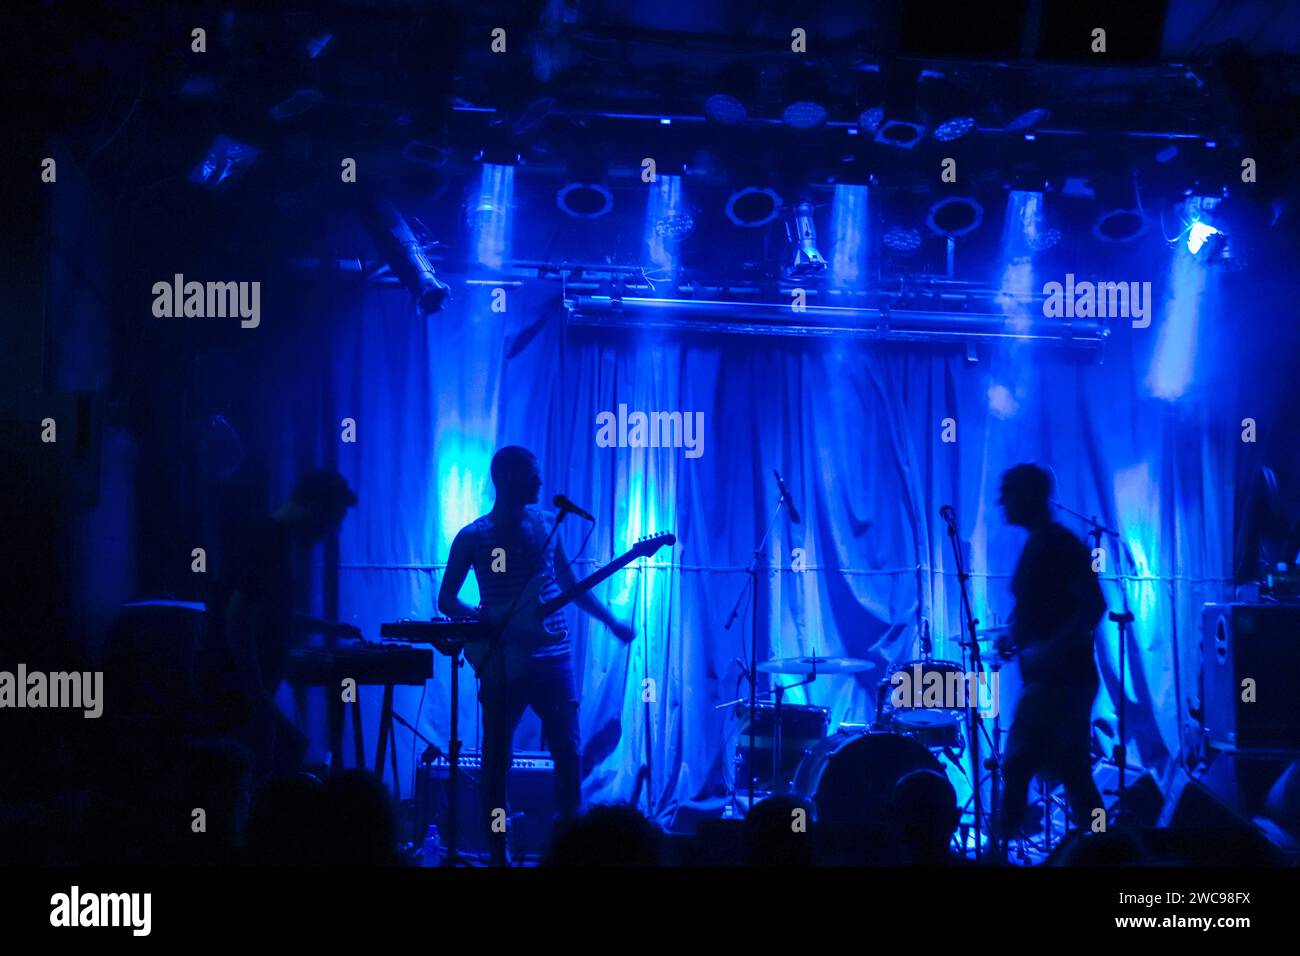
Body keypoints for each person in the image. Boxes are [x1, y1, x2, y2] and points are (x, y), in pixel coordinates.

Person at [439, 446, 633, 865]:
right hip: (504, 657)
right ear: (506, 477)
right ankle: (497, 850)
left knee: (569, 752)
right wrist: (488, 620)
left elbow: (569, 584)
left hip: (554, 654)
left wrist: (610, 620)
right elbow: (446, 600)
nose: (540, 483)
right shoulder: (473, 536)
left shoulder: (548, 525)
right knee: (495, 759)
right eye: (532, 475)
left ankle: (572, 849)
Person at [207, 468, 360, 781]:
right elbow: (236, 618)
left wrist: (330, 628)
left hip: (249, 686)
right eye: (332, 522)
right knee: (279, 759)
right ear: (316, 508)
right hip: (235, 688)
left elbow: (272, 614)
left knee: (285, 754)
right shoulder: (268, 539)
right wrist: (256, 696)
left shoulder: (278, 541)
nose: (329, 533)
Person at [994, 464, 1106, 839]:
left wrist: (1051, 651)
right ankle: (1107, 846)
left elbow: (1093, 605)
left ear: (1030, 494)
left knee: (1018, 763)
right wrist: (1013, 632)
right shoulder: (1041, 542)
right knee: (1072, 769)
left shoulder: (1059, 544)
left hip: (1061, 681)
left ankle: (997, 852)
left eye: (1008, 491)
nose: (1001, 501)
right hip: (1053, 679)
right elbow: (1042, 603)